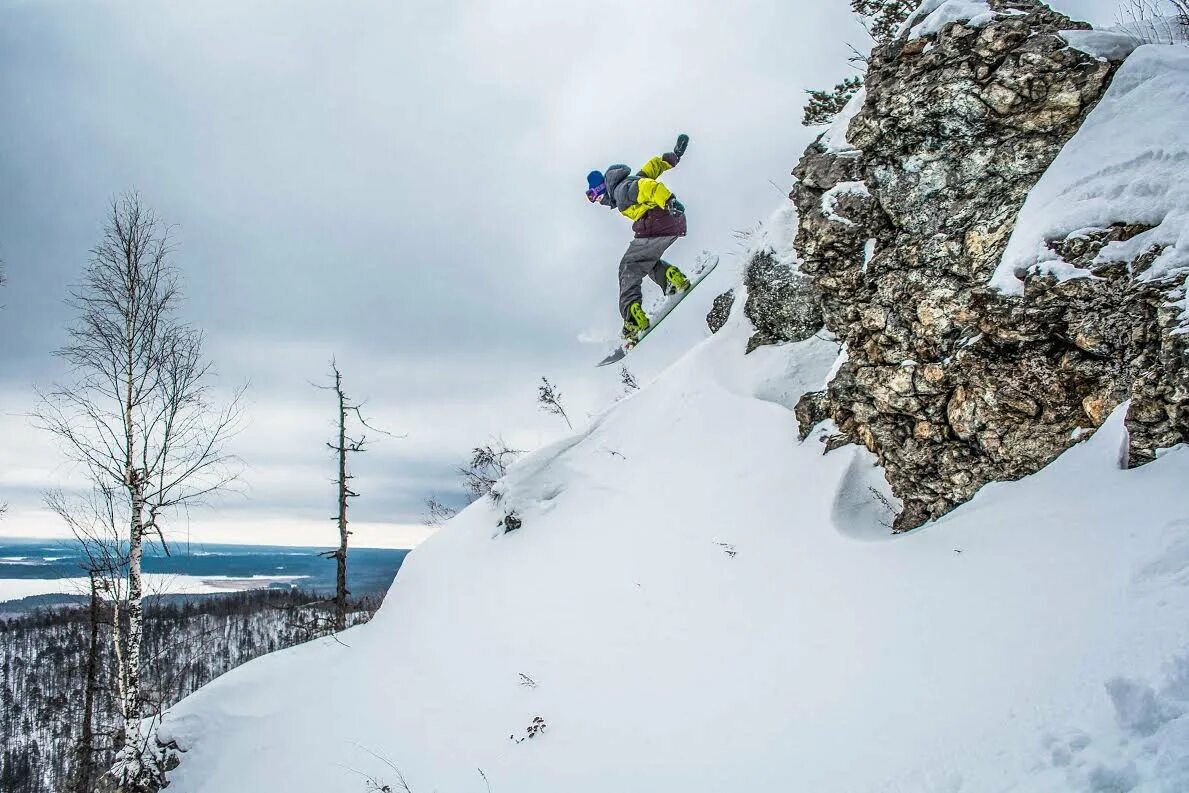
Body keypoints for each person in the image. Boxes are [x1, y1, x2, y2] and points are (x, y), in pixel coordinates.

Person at [586, 134, 692, 342]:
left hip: (657, 220)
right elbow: (653, 168)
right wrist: (674, 156)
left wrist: (669, 201)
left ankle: (633, 320)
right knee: (642, 261)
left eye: (594, 196)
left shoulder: (621, 191)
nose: (597, 201)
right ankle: (670, 278)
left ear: (601, 189)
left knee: (628, 268)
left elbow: (647, 188)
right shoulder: (628, 182)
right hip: (669, 221)